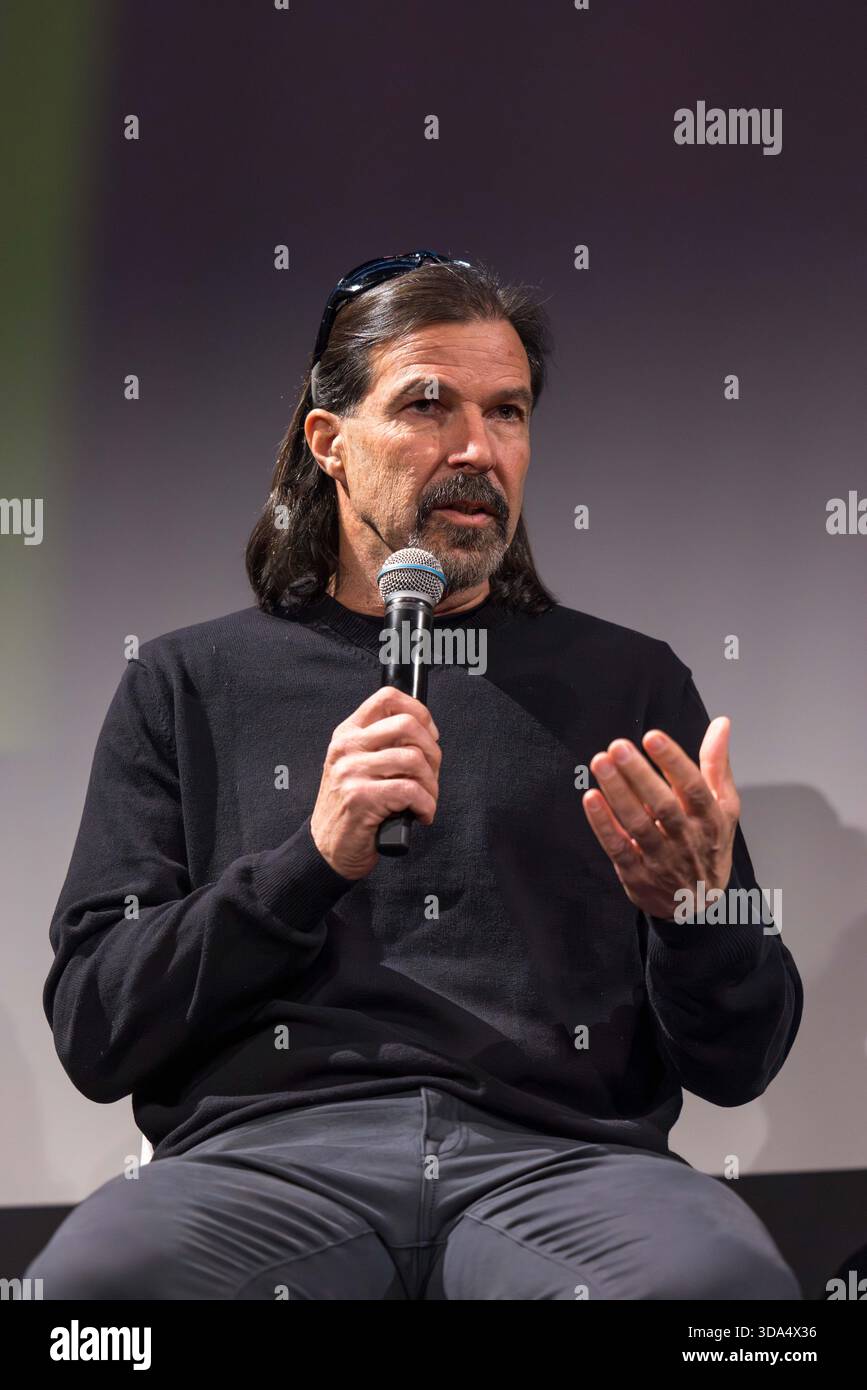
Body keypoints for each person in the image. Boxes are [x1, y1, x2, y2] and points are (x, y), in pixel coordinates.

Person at [25, 251, 803, 1300]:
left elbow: (739, 1060)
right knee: (93, 1300)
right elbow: (96, 1026)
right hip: (266, 1163)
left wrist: (699, 913)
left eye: (509, 412)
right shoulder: (187, 684)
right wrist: (307, 861)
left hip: (565, 1165)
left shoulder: (631, 682)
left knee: (725, 1300)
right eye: (429, 404)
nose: (478, 449)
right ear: (329, 442)